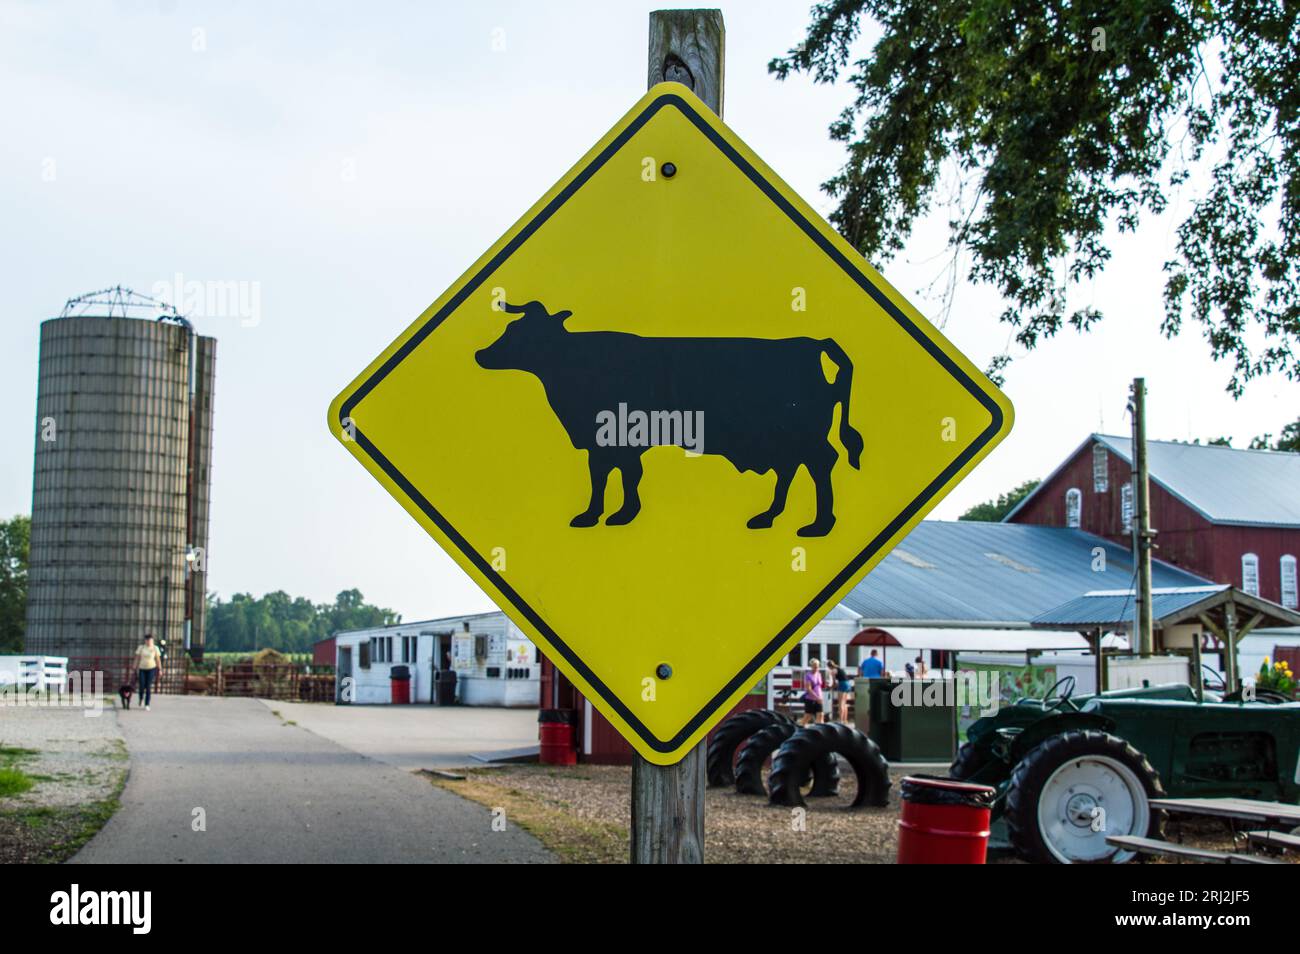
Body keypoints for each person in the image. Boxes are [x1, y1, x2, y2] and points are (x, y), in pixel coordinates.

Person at [134, 633, 162, 710]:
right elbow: (137, 658)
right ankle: (141, 698)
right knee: (141, 685)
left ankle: (147, 704)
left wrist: (160, 669)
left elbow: (158, 659)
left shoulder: (155, 648)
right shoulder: (141, 647)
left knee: (148, 686)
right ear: (145, 640)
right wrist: (134, 667)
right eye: (147, 640)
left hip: (151, 668)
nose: (148, 642)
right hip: (142, 668)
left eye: (150, 640)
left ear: (152, 640)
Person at [801, 658, 824, 725]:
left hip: (819, 697)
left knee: (821, 714)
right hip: (810, 698)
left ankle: (819, 729)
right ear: (811, 666)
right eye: (814, 666)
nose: (816, 667)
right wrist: (817, 698)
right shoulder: (808, 675)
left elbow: (819, 686)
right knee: (808, 716)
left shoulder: (819, 674)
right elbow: (809, 689)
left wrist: (820, 697)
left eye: (817, 666)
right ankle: (801, 727)